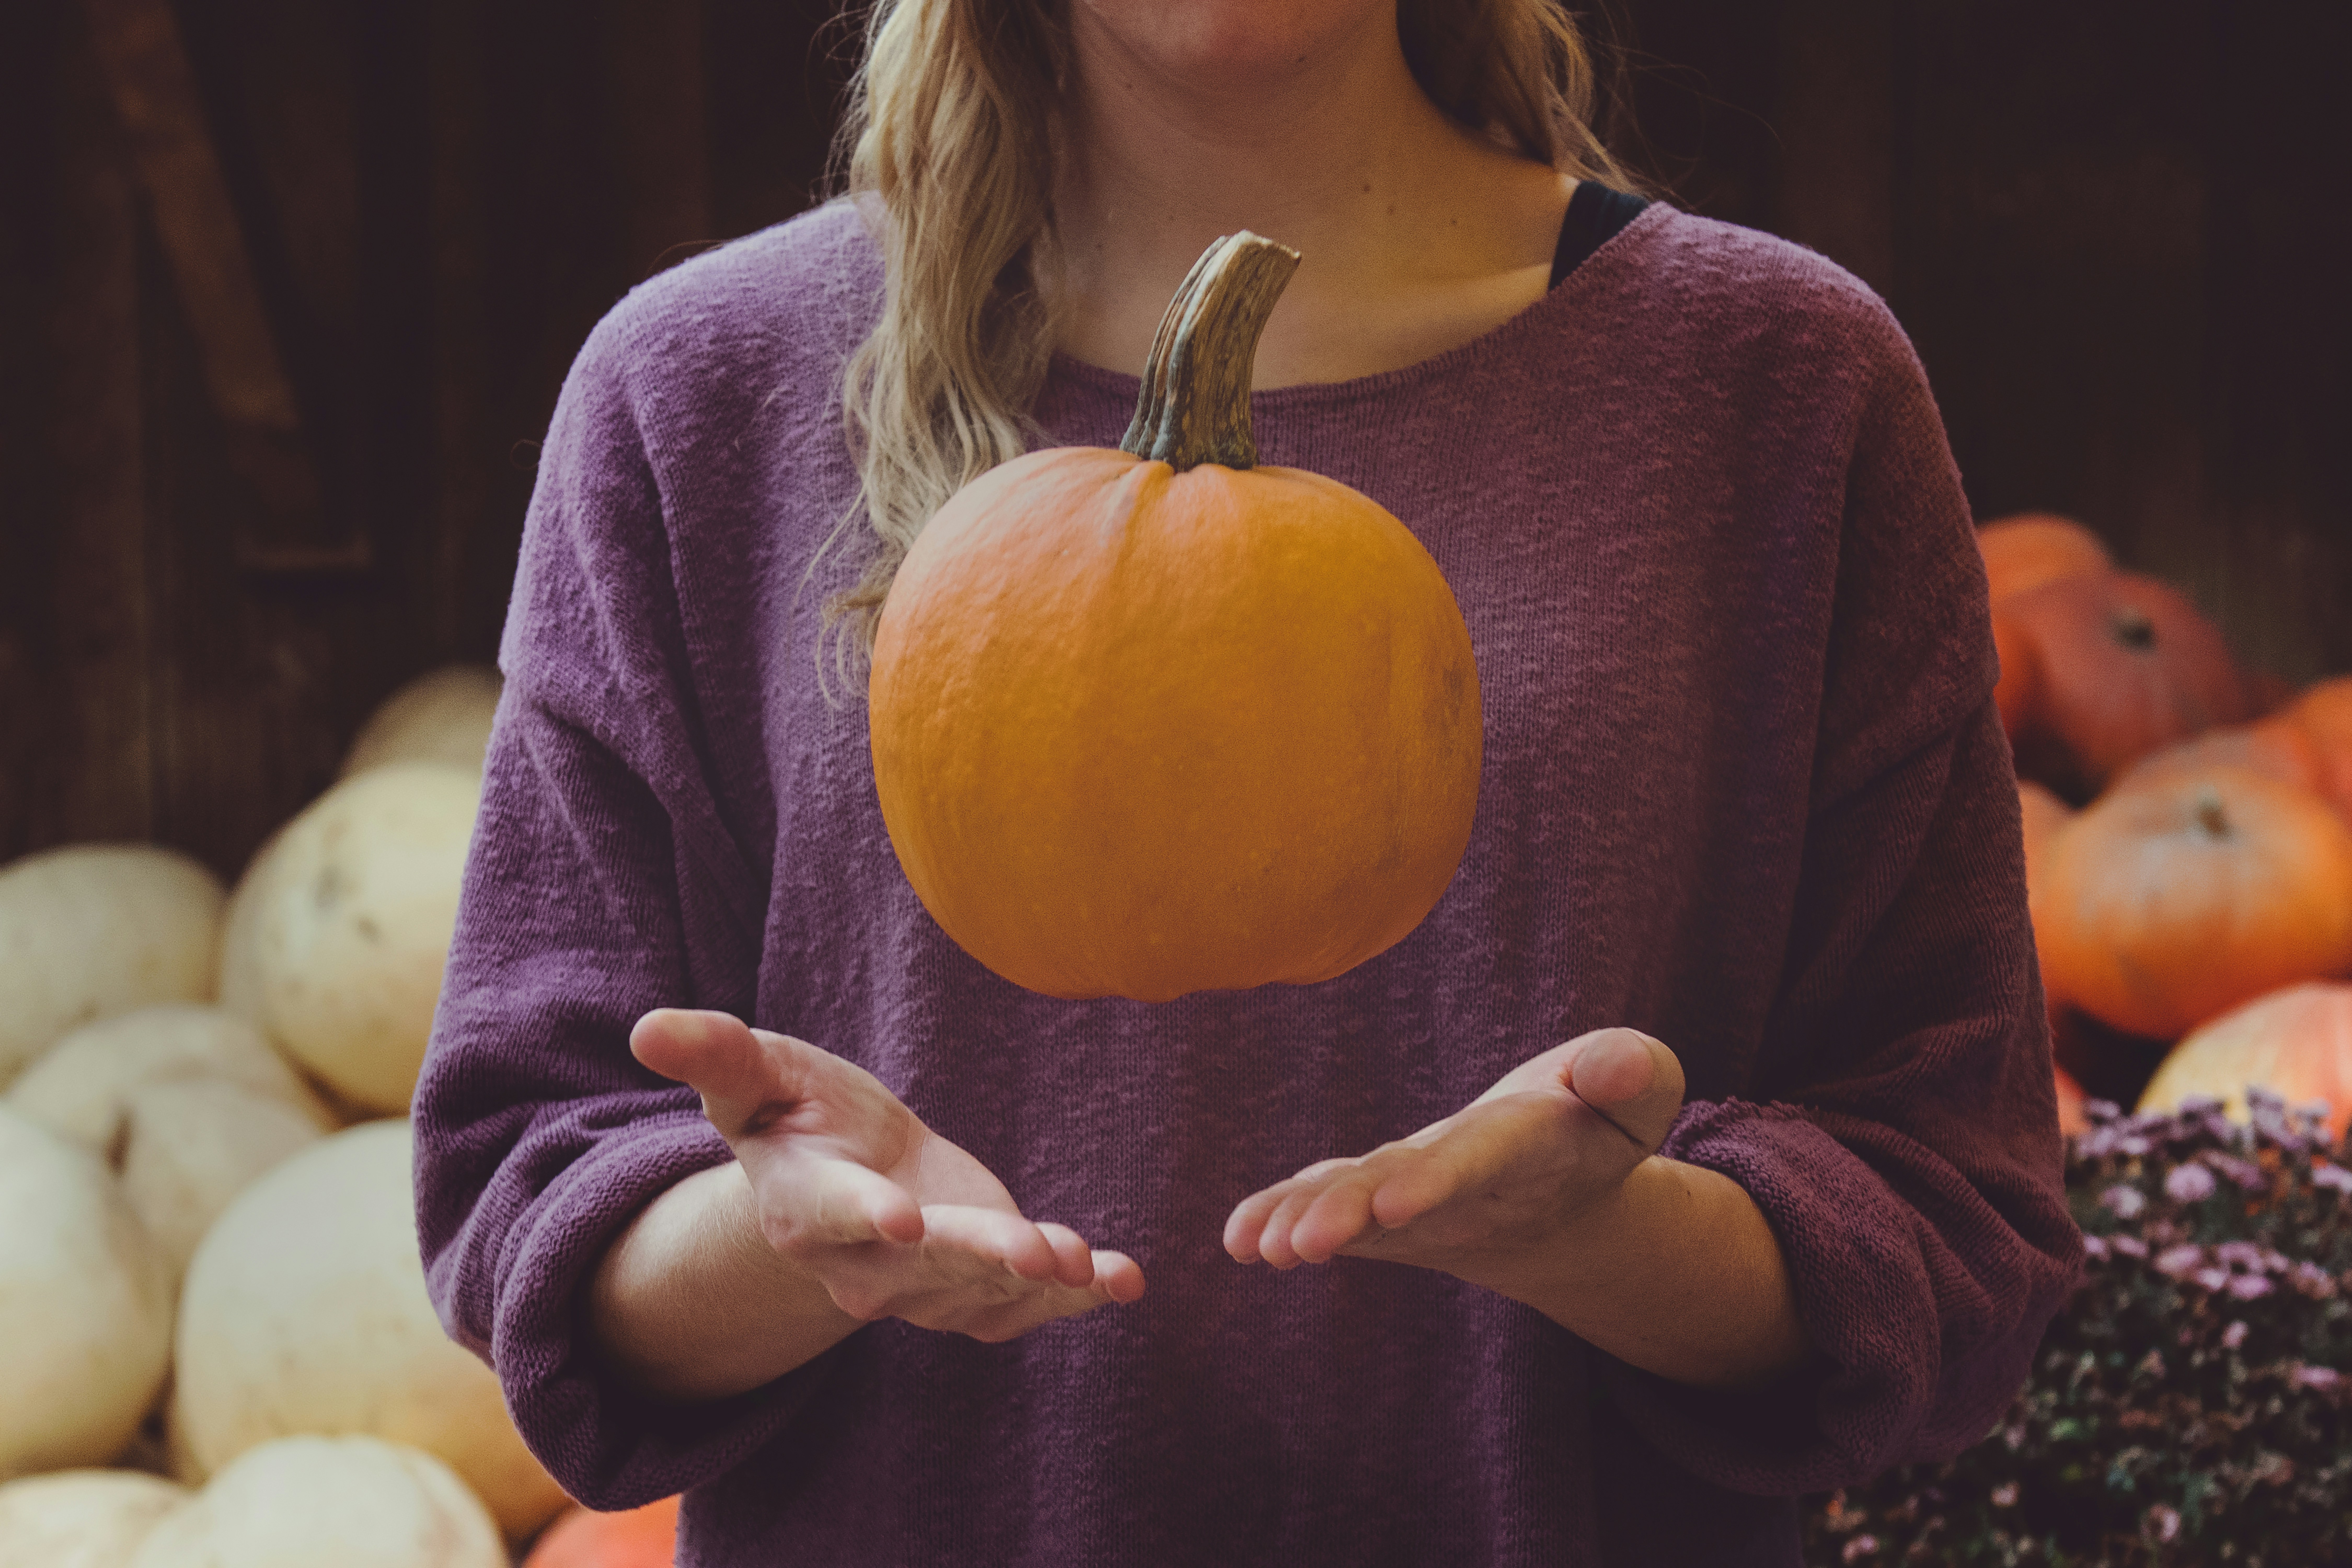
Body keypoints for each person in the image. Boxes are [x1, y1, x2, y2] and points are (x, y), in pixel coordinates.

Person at [413, 1, 2084, 1563]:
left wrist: (1617, 1239)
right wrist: (784, 1239)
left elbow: (1952, 1213)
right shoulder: (692, 393)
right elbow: (522, 1186)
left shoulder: (1778, 385)